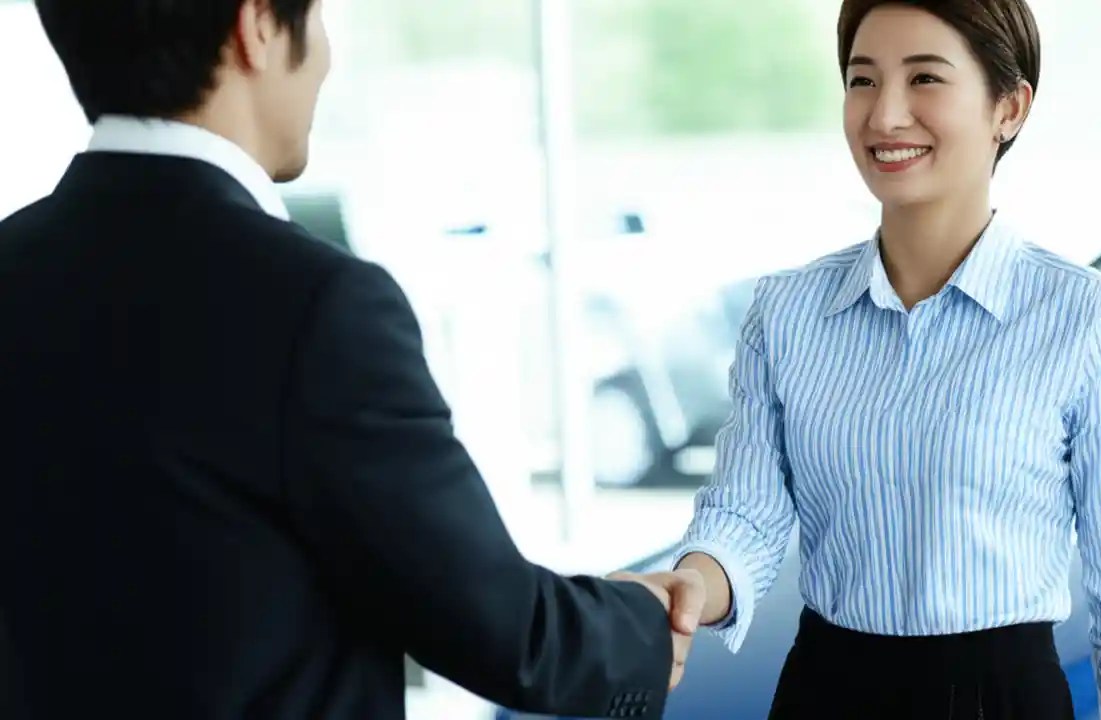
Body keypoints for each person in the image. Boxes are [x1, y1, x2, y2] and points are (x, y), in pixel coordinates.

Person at [0, 1, 705, 718]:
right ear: (260, 28)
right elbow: (499, 626)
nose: (327, 57)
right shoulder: (312, 305)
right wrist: (646, 620)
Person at [634, 0, 1101, 718]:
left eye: (925, 78)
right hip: (827, 692)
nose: (884, 116)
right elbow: (745, 519)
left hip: (1002, 699)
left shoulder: (1089, 319)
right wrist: (690, 582)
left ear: (1010, 107)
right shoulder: (785, 314)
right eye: (862, 80)